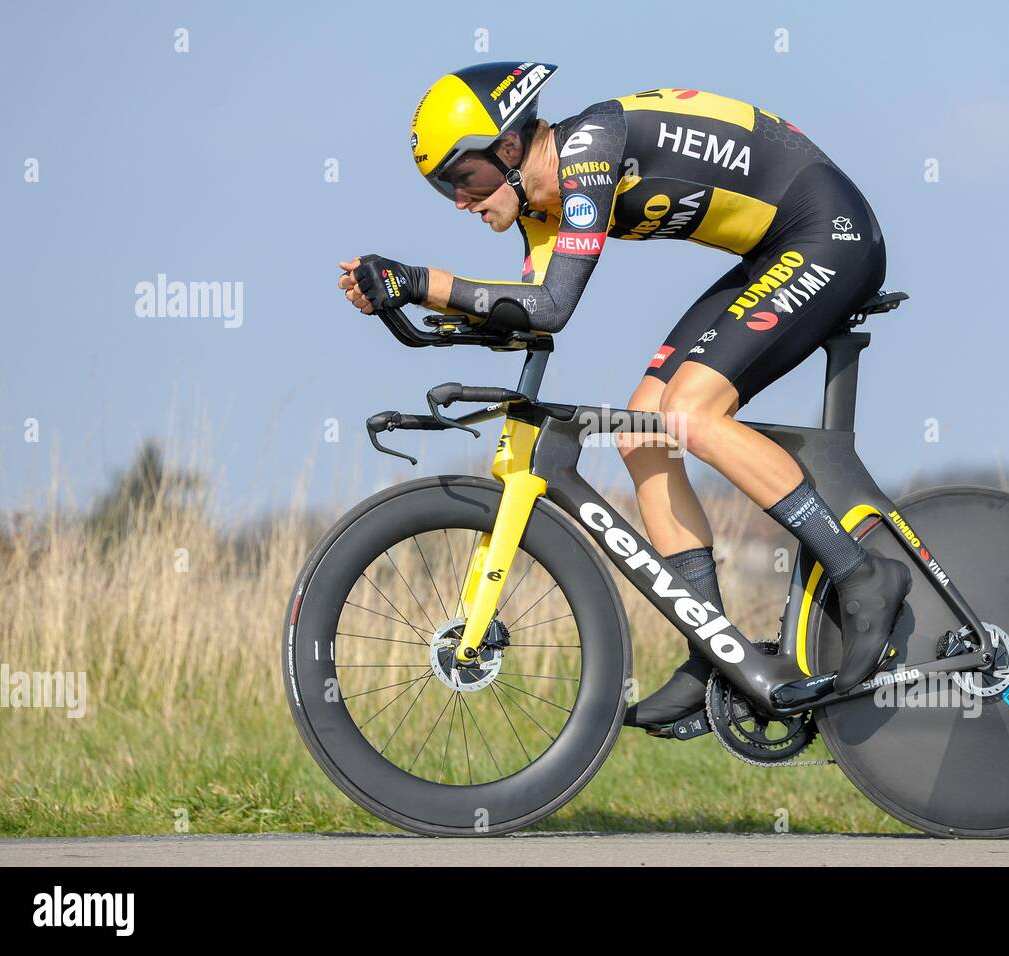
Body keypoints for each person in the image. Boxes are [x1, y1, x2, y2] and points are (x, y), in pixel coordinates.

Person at [340, 61, 911, 734]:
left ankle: (861, 572)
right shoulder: (542, 207)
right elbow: (525, 312)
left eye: (462, 178)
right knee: (643, 433)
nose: (460, 201)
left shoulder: (587, 153)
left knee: (689, 413)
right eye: (445, 191)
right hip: (776, 249)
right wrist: (408, 302)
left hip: (829, 238)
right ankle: (715, 654)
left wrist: (423, 280)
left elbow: (550, 306)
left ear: (510, 146)